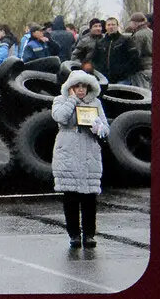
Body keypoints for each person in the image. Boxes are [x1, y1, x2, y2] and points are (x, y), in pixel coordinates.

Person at [51, 70, 109, 248]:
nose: (81, 90)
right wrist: (72, 100)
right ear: (71, 87)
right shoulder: (60, 100)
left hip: (89, 152)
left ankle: (89, 234)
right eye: (77, 86)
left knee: (89, 198)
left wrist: (99, 128)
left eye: (84, 86)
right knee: (71, 197)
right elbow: (59, 117)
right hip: (68, 152)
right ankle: (74, 235)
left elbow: (106, 128)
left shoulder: (96, 103)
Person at [91, 17, 140, 84]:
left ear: (117, 26)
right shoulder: (100, 43)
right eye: (109, 25)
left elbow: (135, 59)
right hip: (104, 78)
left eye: (113, 25)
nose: (111, 27)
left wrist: (125, 71)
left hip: (122, 79)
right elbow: (94, 59)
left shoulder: (126, 40)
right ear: (105, 27)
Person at [127, 12, 153, 89]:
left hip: (142, 68)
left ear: (135, 23)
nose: (130, 25)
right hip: (151, 66)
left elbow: (135, 53)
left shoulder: (138, 35)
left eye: (131, 22)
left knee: (142, 92)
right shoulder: (150, 31)